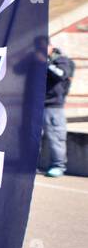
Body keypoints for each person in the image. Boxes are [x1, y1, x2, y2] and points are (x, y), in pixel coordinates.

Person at [43, 45, 75, 178]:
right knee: (30, 138)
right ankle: (29, 165)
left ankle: (58, 166)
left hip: (53, 106)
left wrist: (46, 63)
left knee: (56, 137)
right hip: (35, 105)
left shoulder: (62, 61)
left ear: (50, 46)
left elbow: (61, 75)